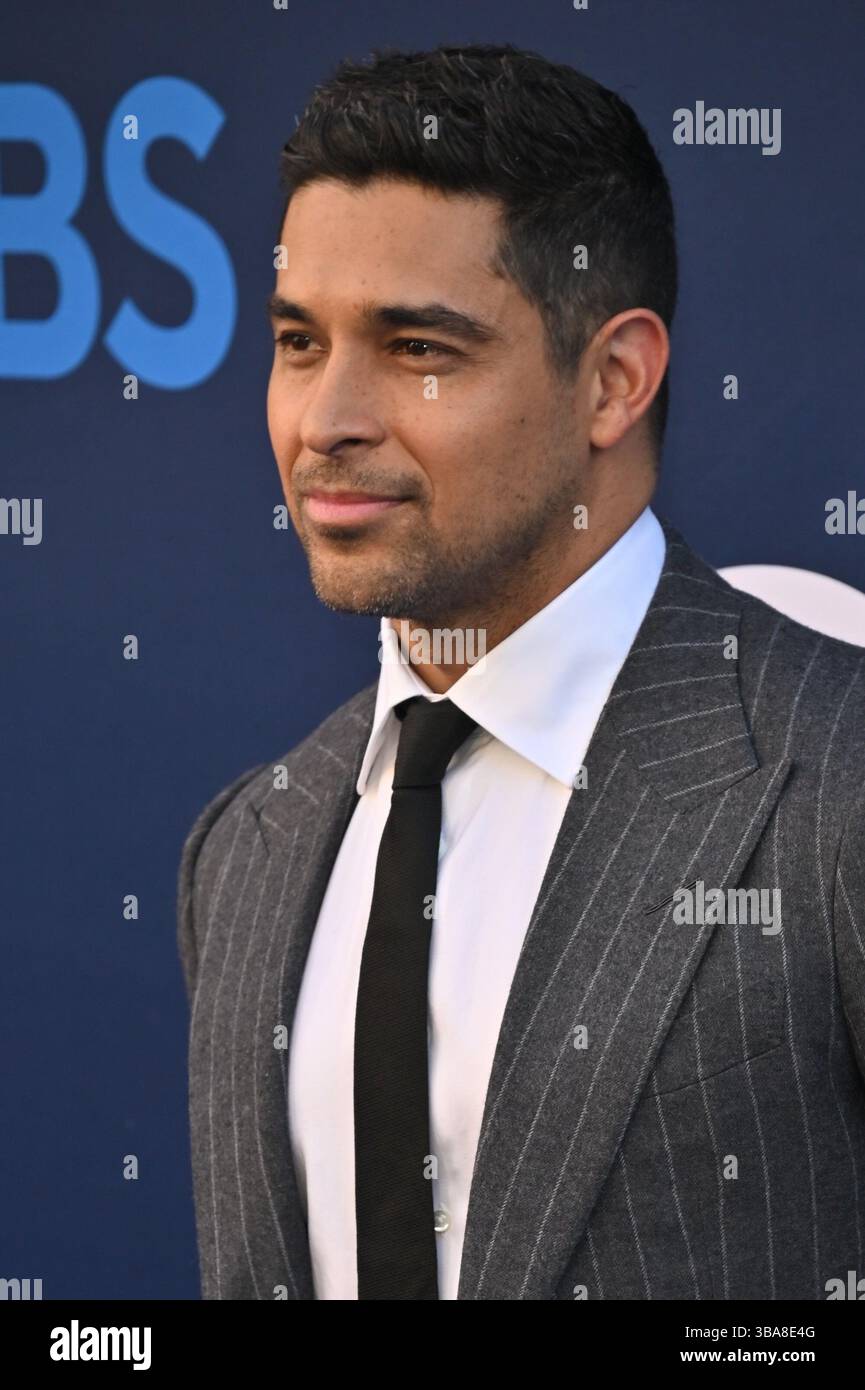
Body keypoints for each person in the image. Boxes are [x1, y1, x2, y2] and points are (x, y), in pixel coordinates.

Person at [177, 43, 865, 1300]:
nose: (324, 419)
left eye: (416, 348)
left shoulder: (836, 786)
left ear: (613, 382)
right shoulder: (243, 851)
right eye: (297, 340)